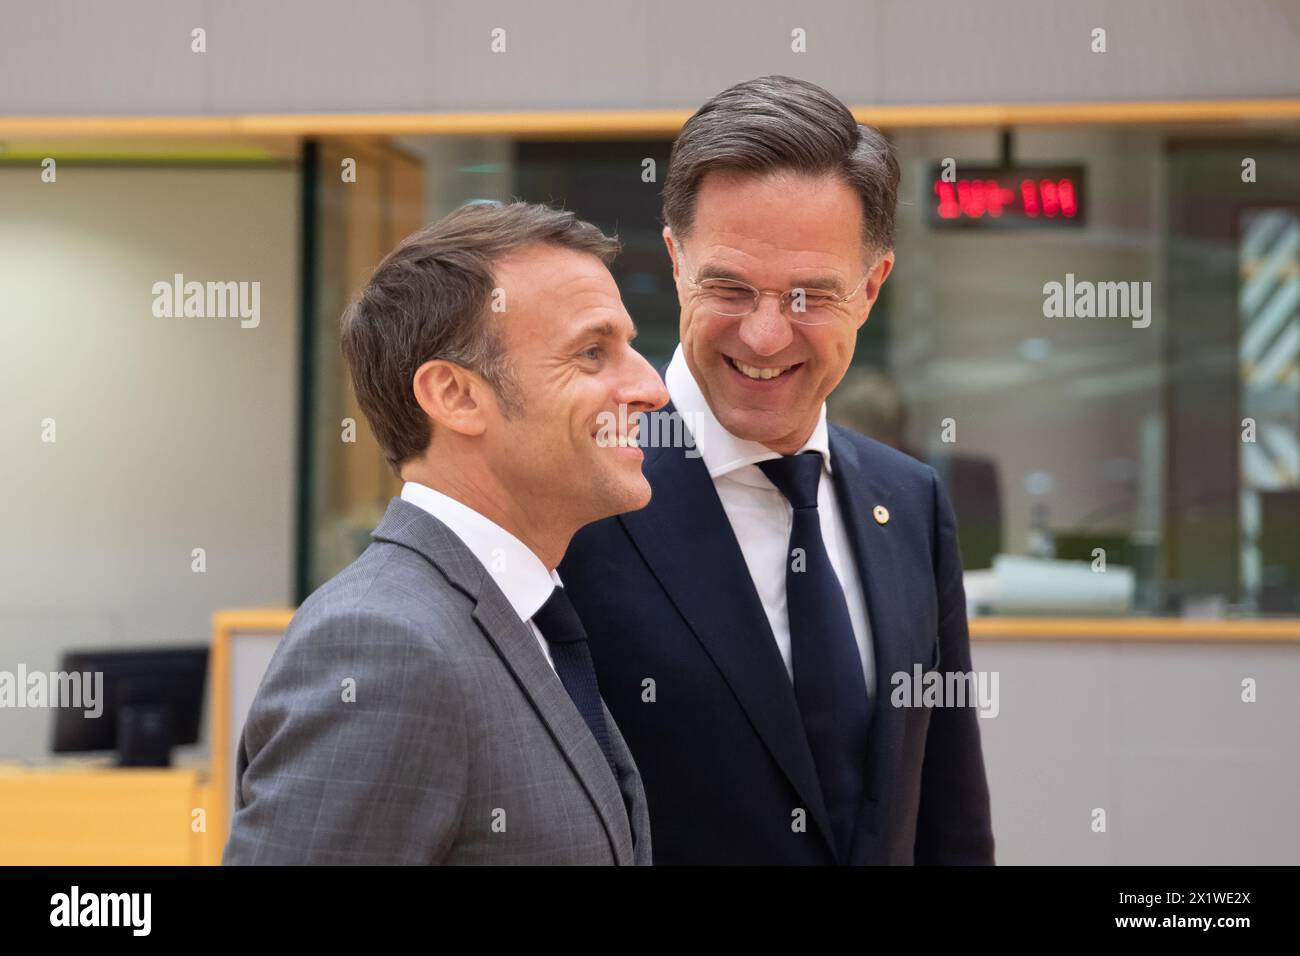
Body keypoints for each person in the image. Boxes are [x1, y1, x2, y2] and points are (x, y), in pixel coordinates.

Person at [559, 76, 995, 864]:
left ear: (871, 288)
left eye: (809, 296)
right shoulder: (571, 494)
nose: (764, 336)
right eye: (728, 287)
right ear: (674, 258)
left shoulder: (910, 501)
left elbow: (948, 821)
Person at [225, 201, 667, 864]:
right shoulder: (384, 645)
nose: (651, 386)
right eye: (592, 352)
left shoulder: (520, 617)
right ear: (455, 396)